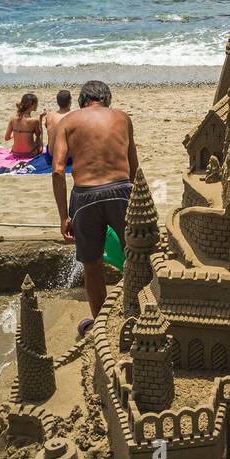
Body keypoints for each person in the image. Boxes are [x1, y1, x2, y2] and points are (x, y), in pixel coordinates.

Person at [50, 80, 138, 330]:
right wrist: (135, 201)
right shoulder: (123, 118)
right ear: (107, 98)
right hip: (121, 191)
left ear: (82, 100)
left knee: (92, 264)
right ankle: (138, 314)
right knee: (137, 256)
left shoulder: (67, 121)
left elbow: (57, 171)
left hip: (85, 195)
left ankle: (100, 325)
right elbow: (134, 168)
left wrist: (63, 217)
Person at [42, 89, 73, 162]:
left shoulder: (50, 116)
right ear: (70, 102)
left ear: (57, 102)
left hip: (51, 157)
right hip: (67, 158)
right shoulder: (73, 116)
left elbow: (48, 128)